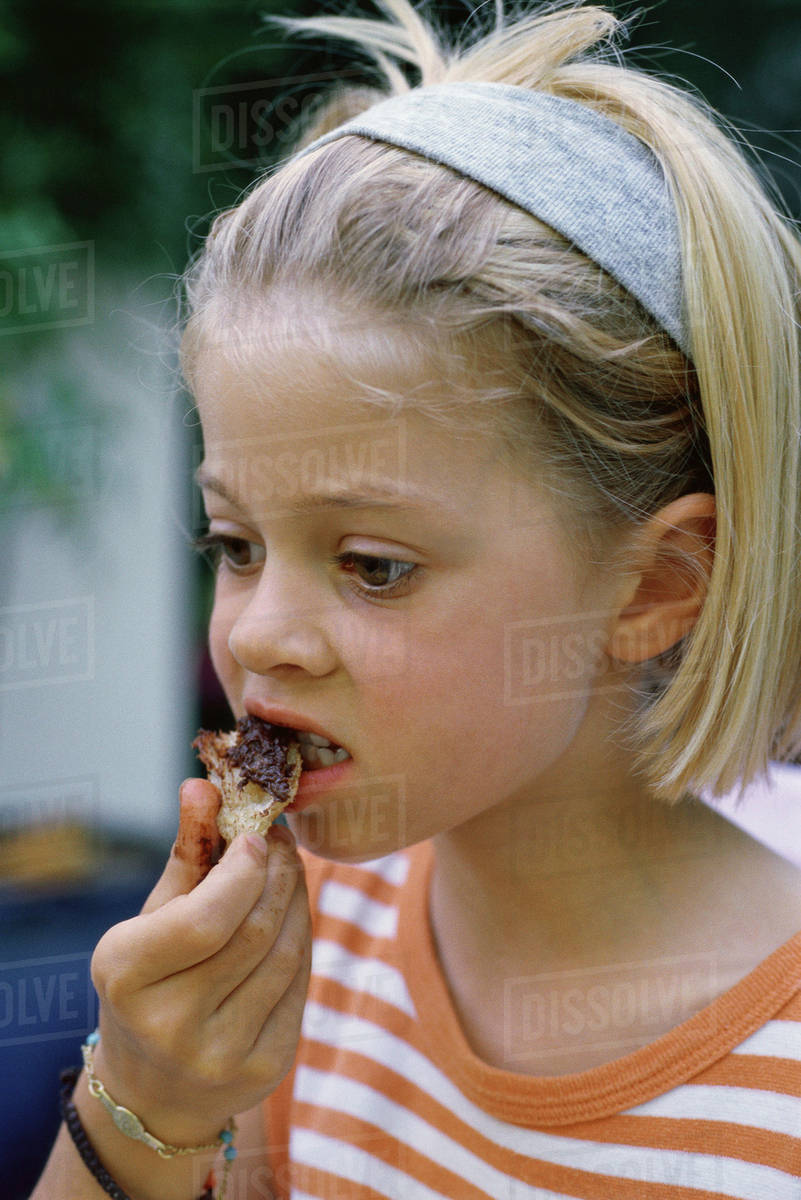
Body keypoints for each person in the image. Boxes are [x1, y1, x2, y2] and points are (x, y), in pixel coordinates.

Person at [34, 1, 801, 1197]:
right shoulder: (298, 952)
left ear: (655, 586)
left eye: (374, 565)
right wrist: (149, 1107)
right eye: (234, 543)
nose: (256, 636)